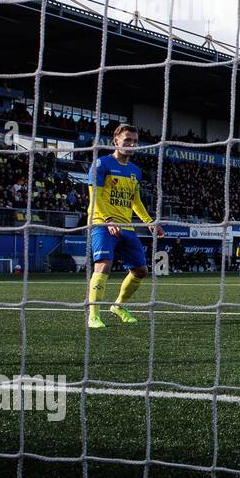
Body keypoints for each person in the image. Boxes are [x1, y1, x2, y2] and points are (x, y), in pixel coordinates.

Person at [85, 124, 164, 329]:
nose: (131, 144)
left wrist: (149, 222)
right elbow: (94, 197)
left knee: (140, 271)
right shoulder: (101, 164)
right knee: (103, 264)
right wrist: (108, 219)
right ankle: (93, 315)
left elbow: (135, 201)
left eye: (135, 141)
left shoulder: (135, 171)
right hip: (102, 223)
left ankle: (118, 306)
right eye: (127, 140)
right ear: (116, 141)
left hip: (126, 226)